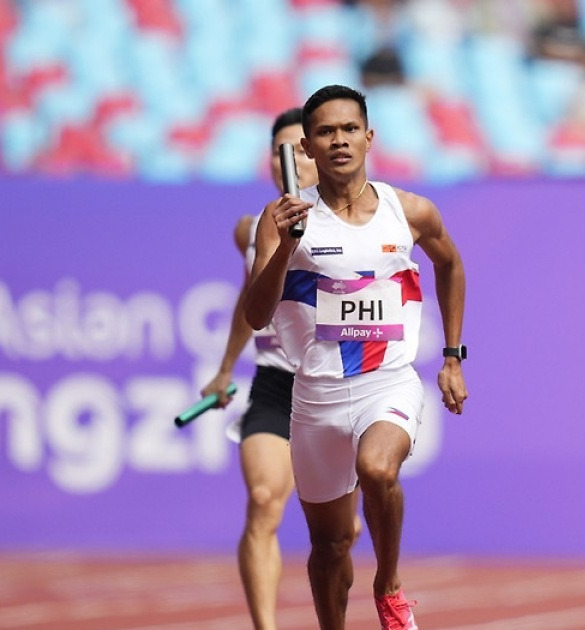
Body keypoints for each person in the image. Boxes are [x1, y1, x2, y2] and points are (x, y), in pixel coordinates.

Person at [243, 84, 469, 630]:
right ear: (310, 147)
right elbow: (255, 313)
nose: (339, 140)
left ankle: (389, 585)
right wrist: (286, 244)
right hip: (315, 395)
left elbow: (452, 266)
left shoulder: (408, 211)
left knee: (377, 468)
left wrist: (453, 356)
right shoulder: (281, 217)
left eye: (349, 130)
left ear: (369, 139)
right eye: (325, 132)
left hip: (386, 380)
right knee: (329, 547)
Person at [200, 107, 341, 630]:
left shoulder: (354, 223)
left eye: (302, 150)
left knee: (337, 536)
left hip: (336, 387)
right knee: (263, 500)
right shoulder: (249, 230)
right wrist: (222, 369)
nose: (294, 162)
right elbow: (249, 297)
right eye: (282, 151)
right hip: (277, 384)